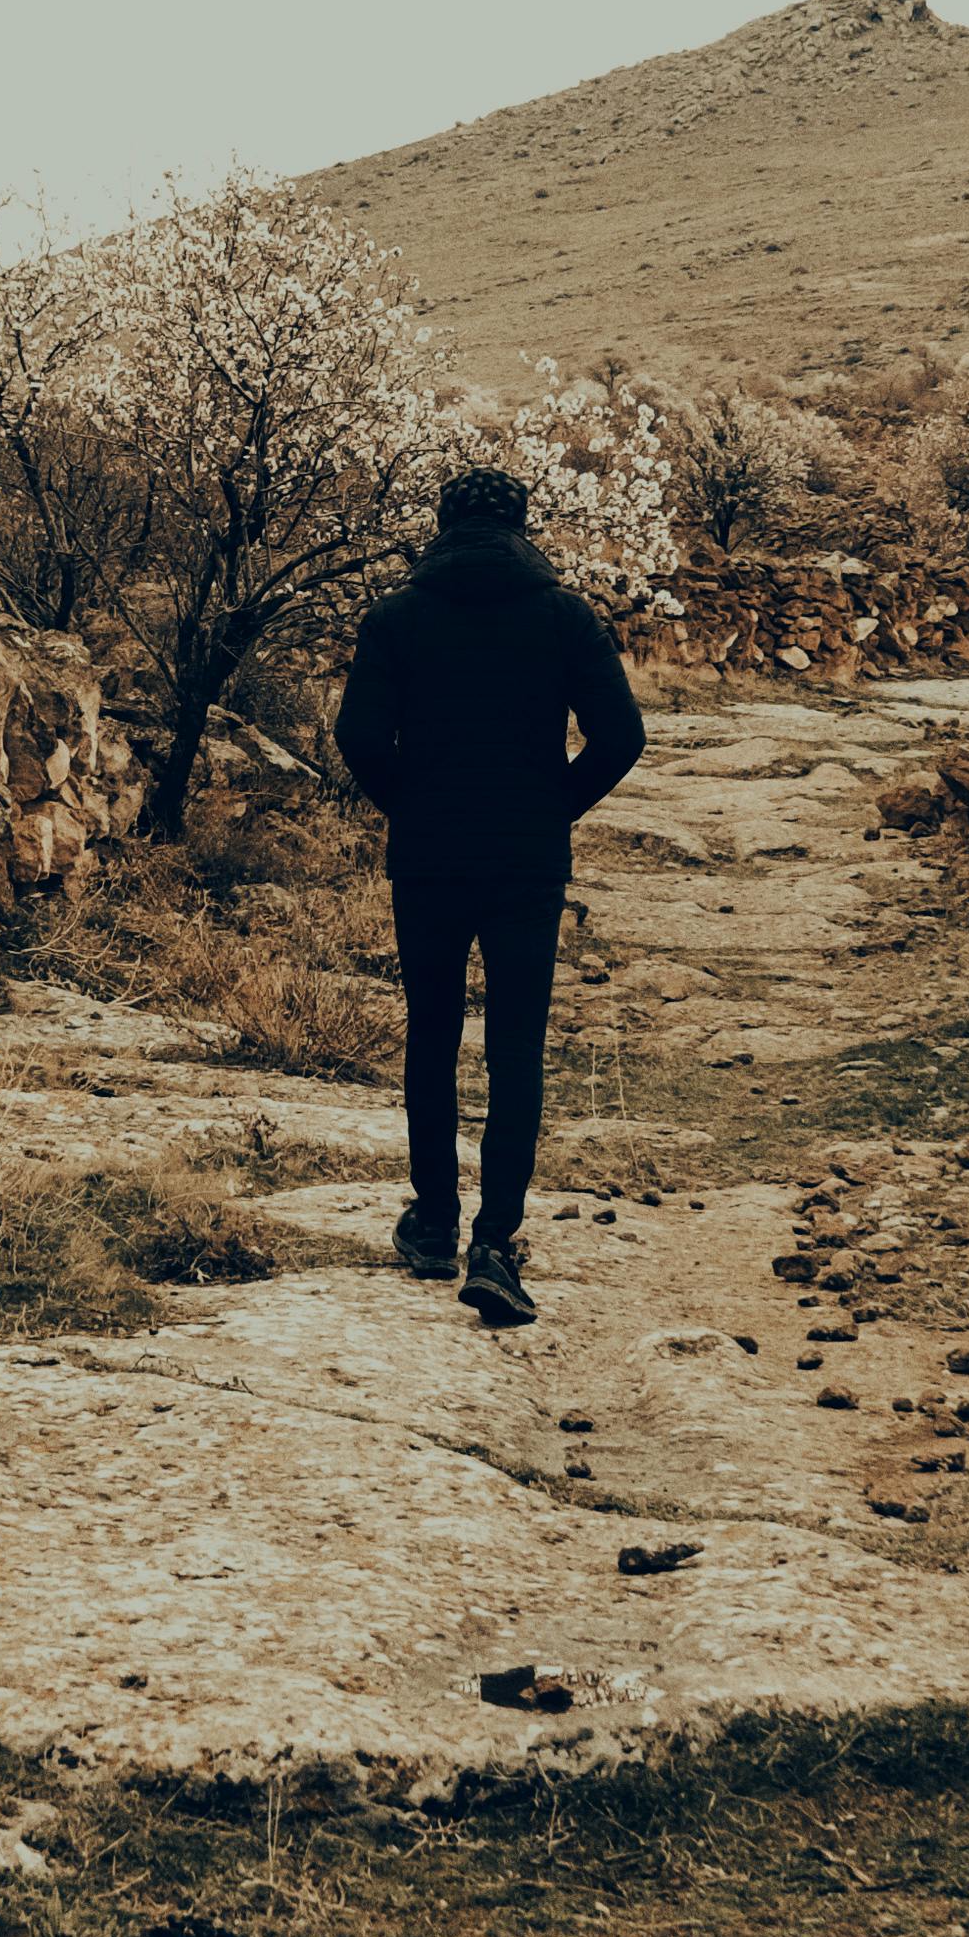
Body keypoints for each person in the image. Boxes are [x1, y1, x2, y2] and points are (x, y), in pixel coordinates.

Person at [329, 463, 648, 1327]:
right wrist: (553, 811)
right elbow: (623, 736)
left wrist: (412, 807)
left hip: (429, 857)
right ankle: (496, 1245)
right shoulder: (562, 614)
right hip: (525, 861)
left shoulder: (397, 615)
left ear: (442, 524)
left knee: (431, 1034)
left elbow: (356, 733)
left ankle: (432, 1224)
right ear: (524, 523)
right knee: (516, 1049)